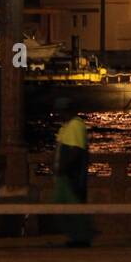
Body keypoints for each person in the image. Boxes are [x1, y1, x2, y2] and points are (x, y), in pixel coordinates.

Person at [52, 97, 93, 247]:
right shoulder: (67, 126)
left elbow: (75, 151)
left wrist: (62, 168)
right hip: (65, 174)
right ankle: (77, 236)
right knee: (64, 204)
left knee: (72, 204)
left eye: (61, 111)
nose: (59, 114)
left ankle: (81, 237)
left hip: (71, 175)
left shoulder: (75, 125)